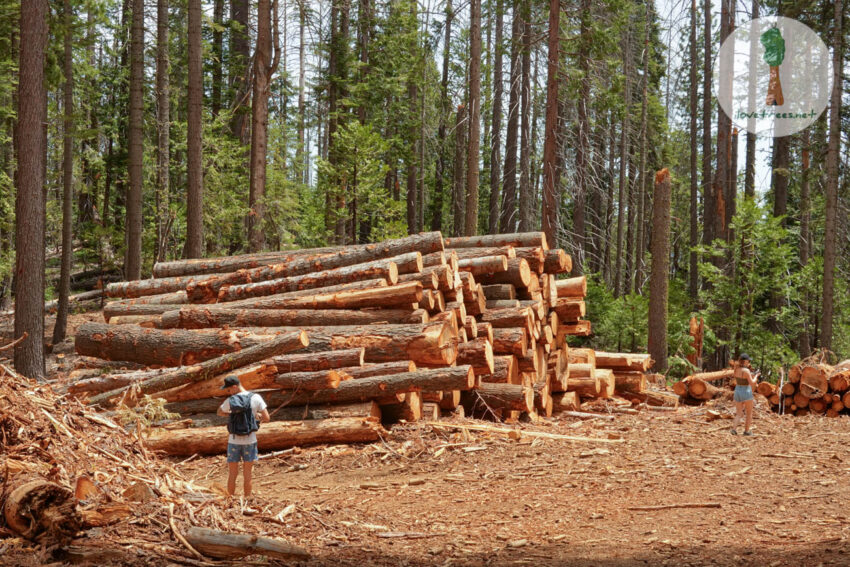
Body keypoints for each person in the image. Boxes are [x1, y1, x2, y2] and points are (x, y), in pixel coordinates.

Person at [217, 375, 269, 499]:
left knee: (233, 473)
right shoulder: (256, 397)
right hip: (250, 441)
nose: (229, 392)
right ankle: (247, 499)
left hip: (233, 441)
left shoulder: (231, 401)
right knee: (248, 473)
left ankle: (230, 499)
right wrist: (256, 416)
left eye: (229, 390)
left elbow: (219, 412)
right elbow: (267, 418)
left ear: (235, 387)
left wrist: (231, 414)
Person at [731, 353, 760, 436]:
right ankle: (747, 431)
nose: (749, 362)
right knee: (749, 412)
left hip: (737, 390)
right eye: (748, 361)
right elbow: (752, 382)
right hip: (746, 391)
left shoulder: (736, 369)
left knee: (739, 413)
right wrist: (756, 376)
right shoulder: (746, 370)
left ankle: (734, 429)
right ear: (745, 361)